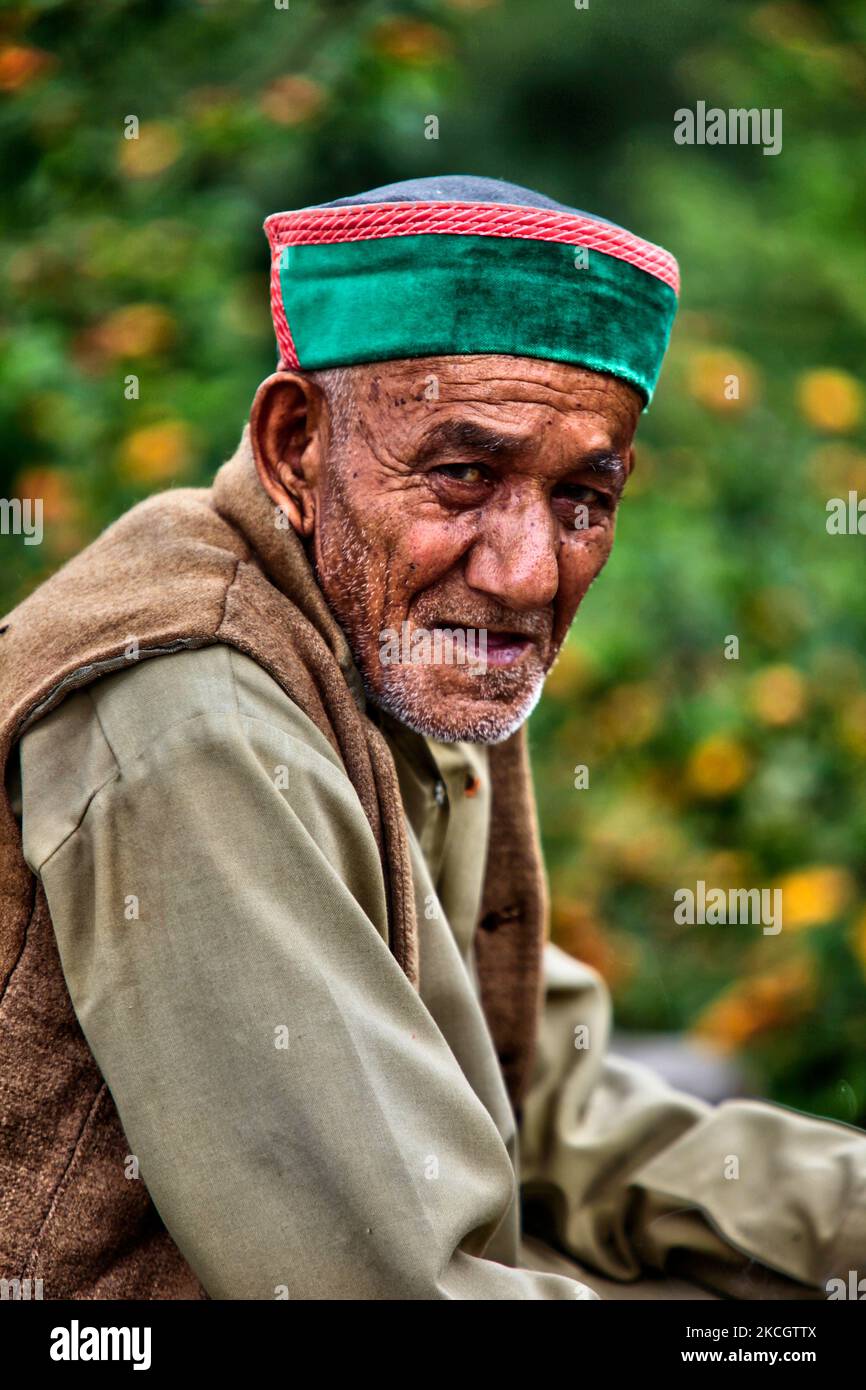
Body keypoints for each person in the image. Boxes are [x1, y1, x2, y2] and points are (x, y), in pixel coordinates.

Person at [1, 176, 863, 1301]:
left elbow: (543, 1100)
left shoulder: (400, 651)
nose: (527, 572)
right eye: (462, 475)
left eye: (581, 501)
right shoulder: (194, 719)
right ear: (295, 448)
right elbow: (383, 1289)